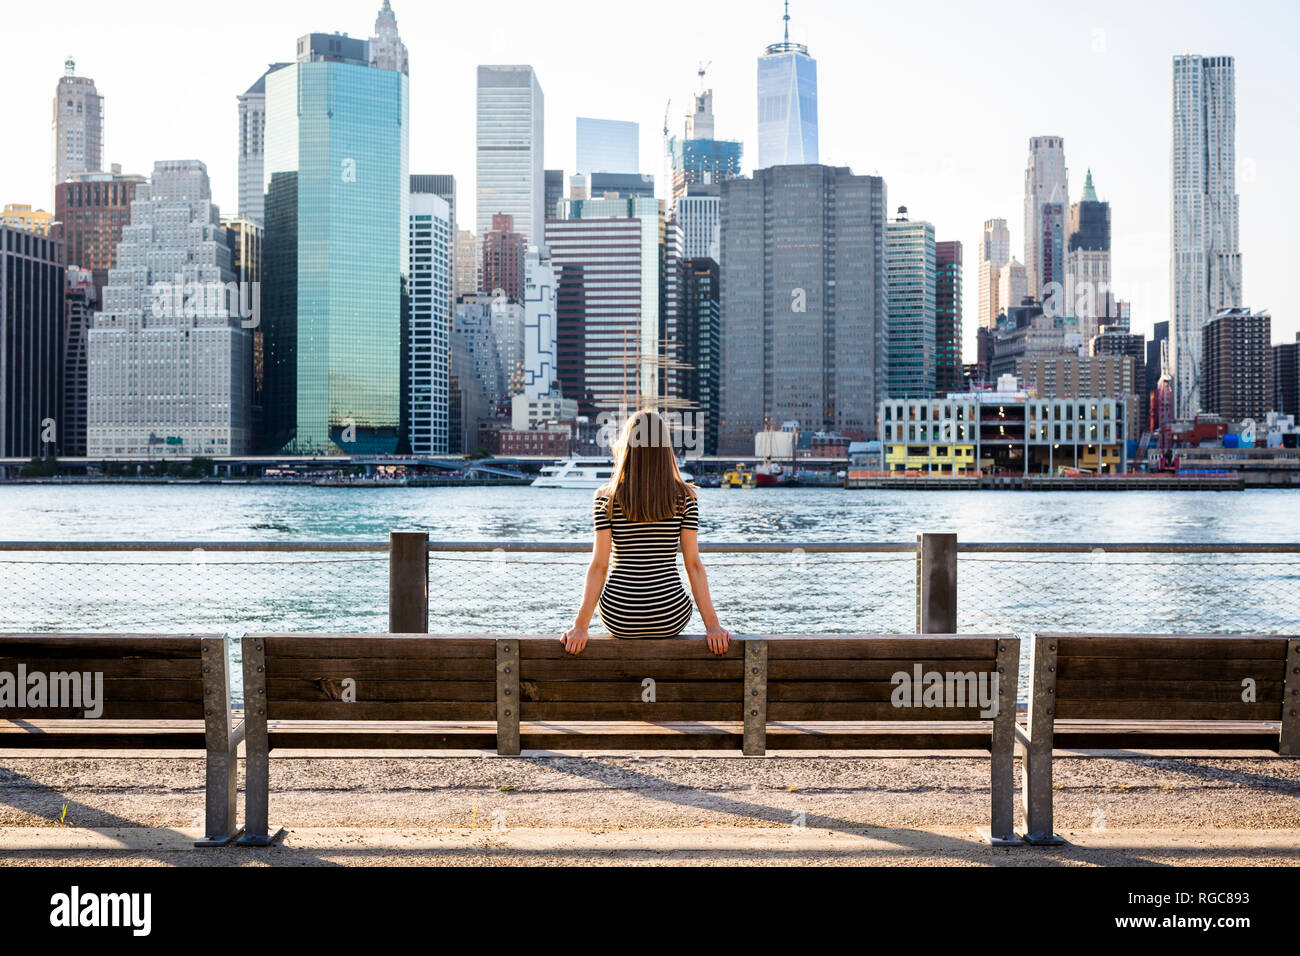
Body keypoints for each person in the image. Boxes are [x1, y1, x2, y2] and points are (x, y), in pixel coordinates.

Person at [561, 410, 731, 655]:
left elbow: (599, 566)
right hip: (669, 616)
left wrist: (580, 627)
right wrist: (713, 626)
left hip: (620, 616)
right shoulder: (685, 498)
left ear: (627, 445)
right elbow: (693, 565)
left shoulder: (605, 498)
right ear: (665, 447)